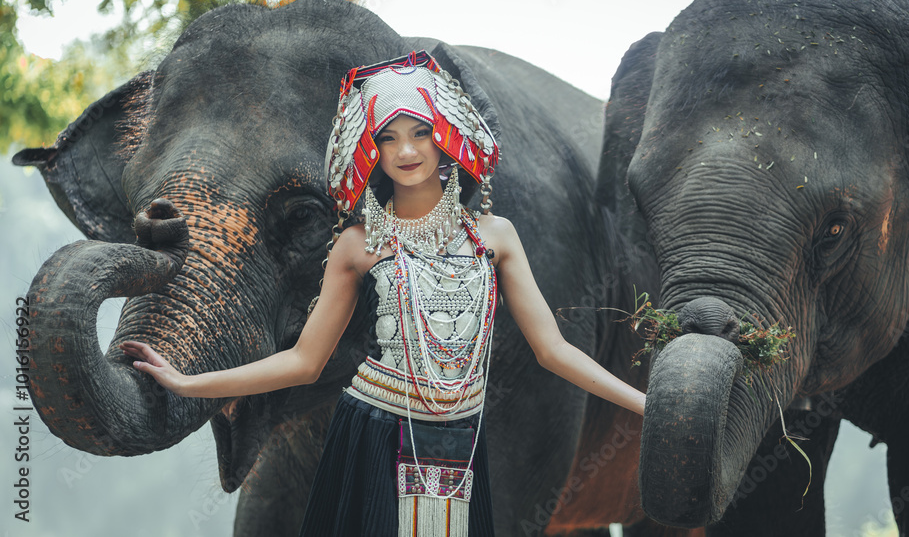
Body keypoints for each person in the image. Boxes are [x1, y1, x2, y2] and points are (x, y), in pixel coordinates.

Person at [122, 50, 645, 537]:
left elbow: (553, 350)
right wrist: (189, 384)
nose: (406, 150)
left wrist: (647, 403)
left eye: (420, 131)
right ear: (371, 148)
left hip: (455, 435)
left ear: (446, 135)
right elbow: (305, 360)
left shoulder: (495, 236)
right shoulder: (357, 244)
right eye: (388, 137)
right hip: (373, 428)